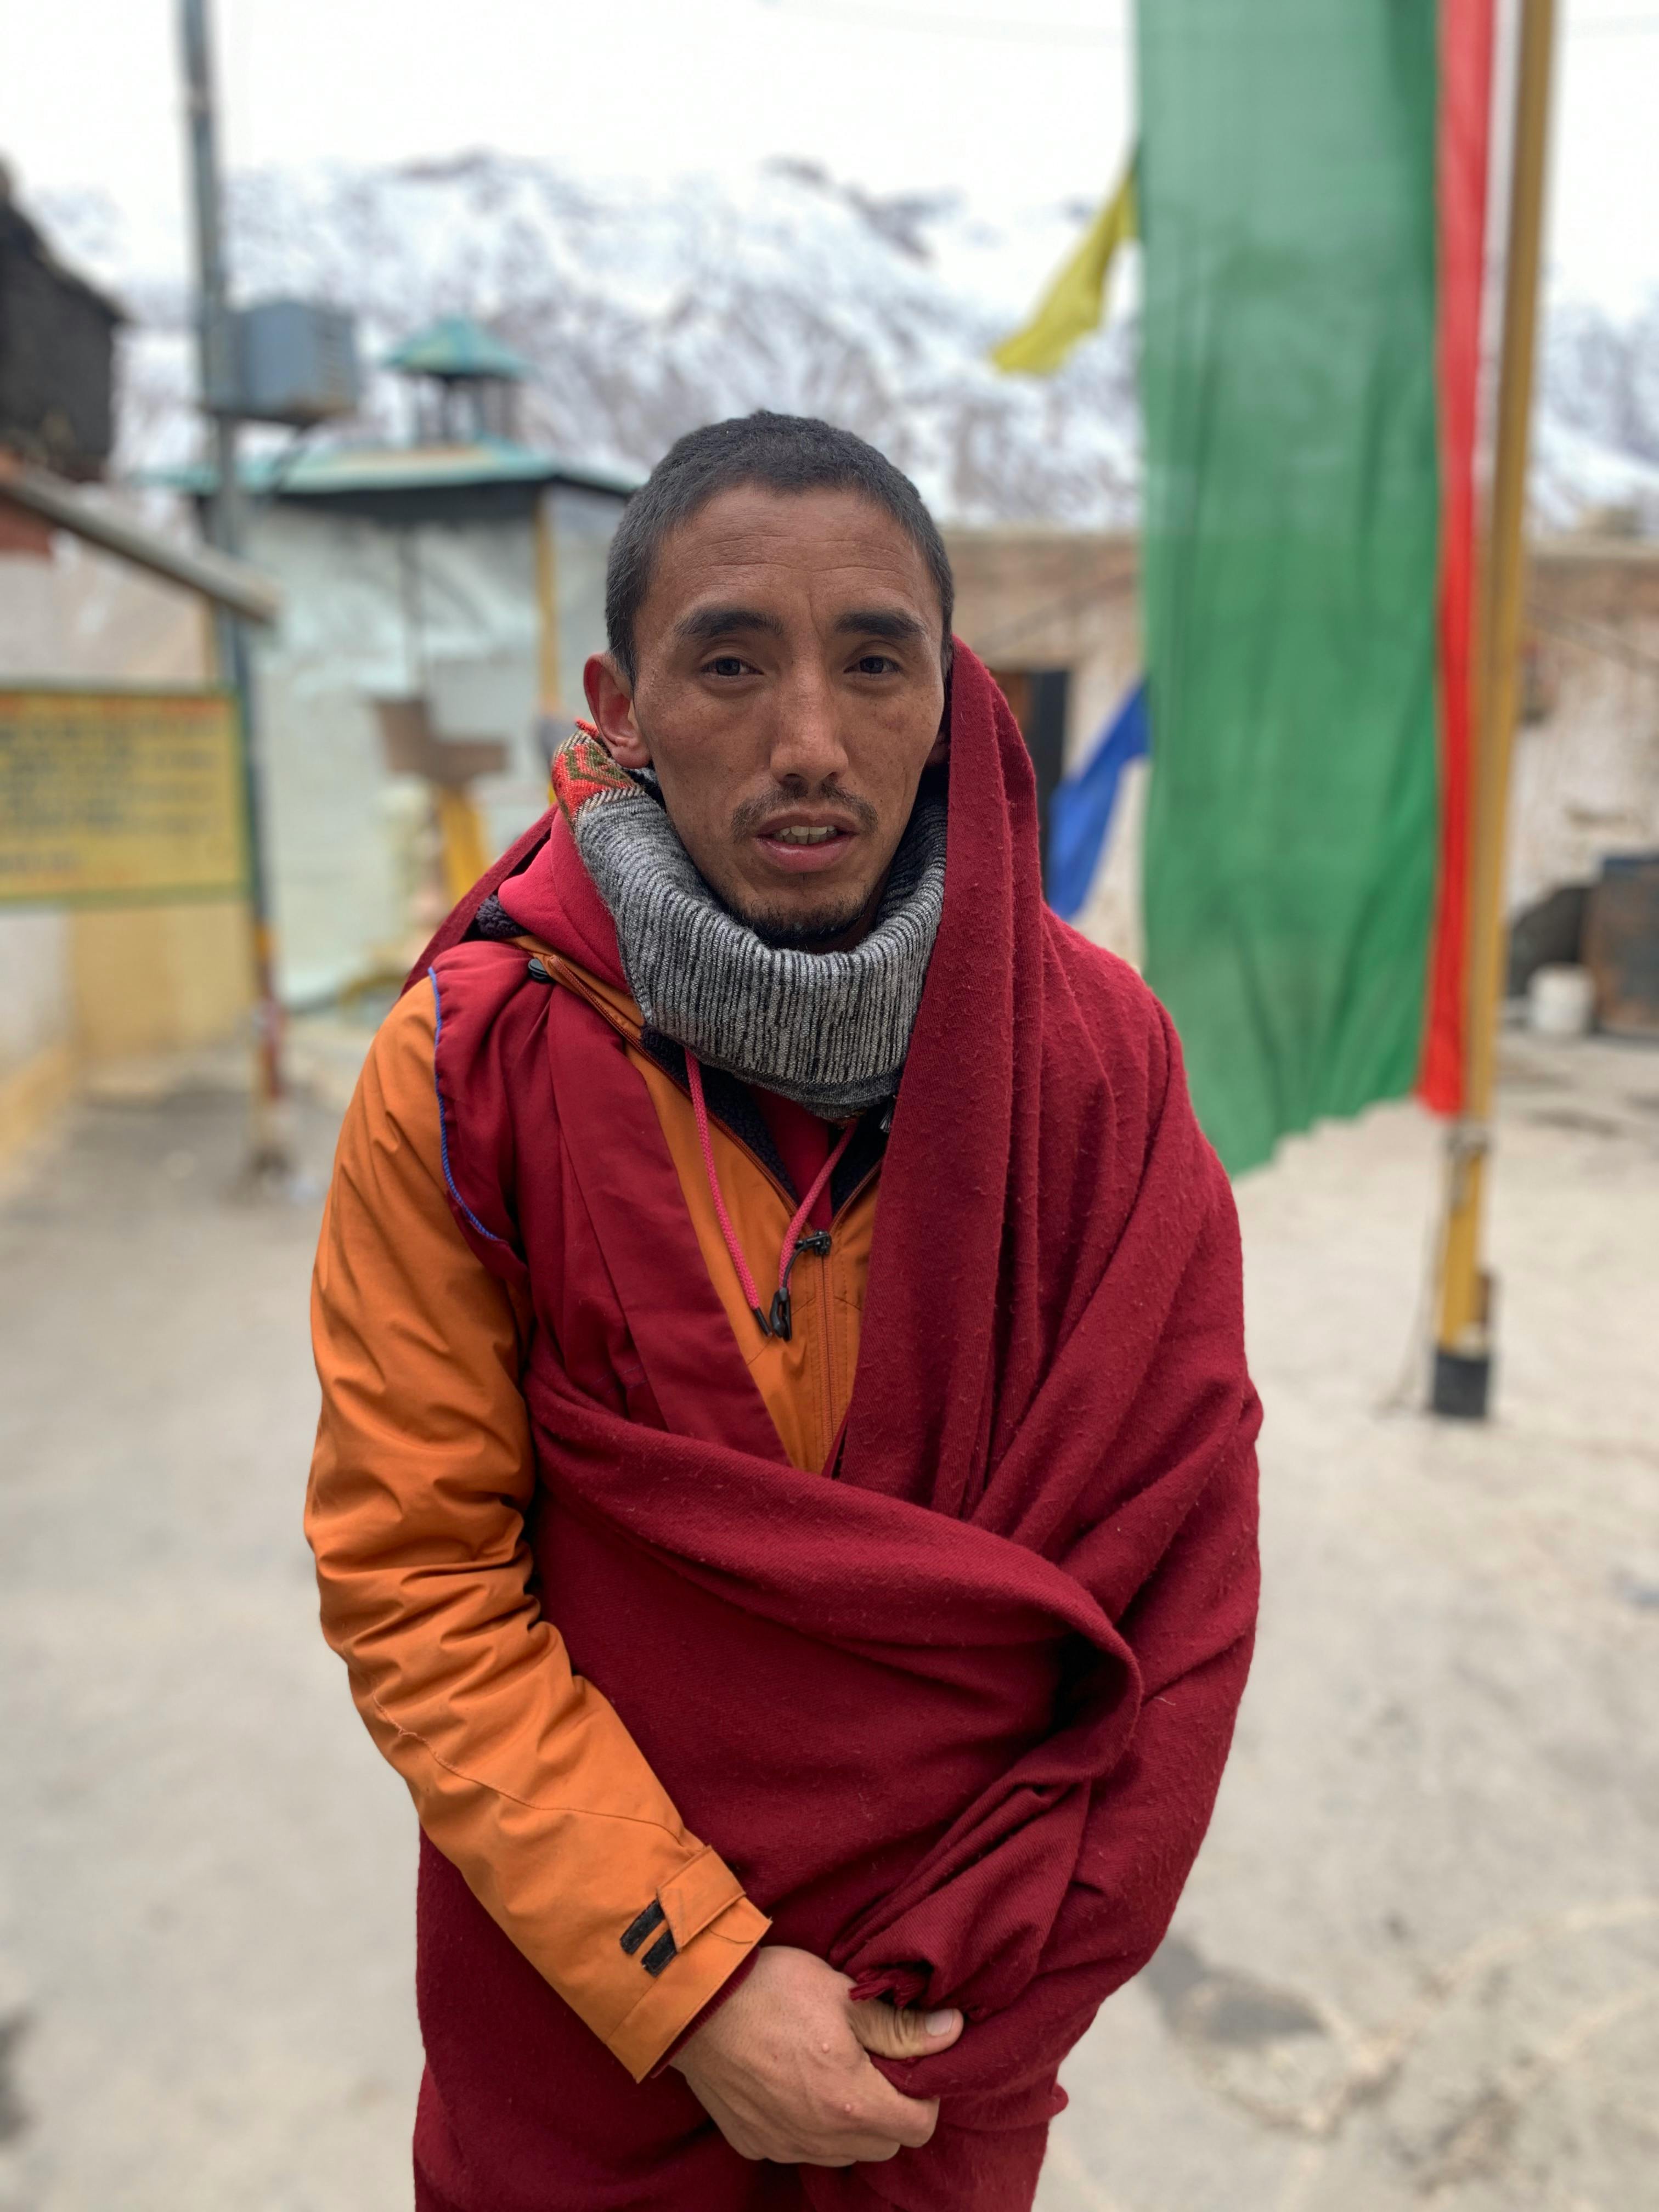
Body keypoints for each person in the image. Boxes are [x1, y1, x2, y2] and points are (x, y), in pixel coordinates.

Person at [306, 411, 1261, 2212]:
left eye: (874, 663)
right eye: (731, 663)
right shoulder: (470, 1071)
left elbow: (1184, 1568)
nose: (809, 741)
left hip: (941, 2042)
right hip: (591, 2036)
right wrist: (693, 1979)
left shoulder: (1099, 1068)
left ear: (950, 694)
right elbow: (416, 1577)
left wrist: (996, 1995)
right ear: (623, 703)